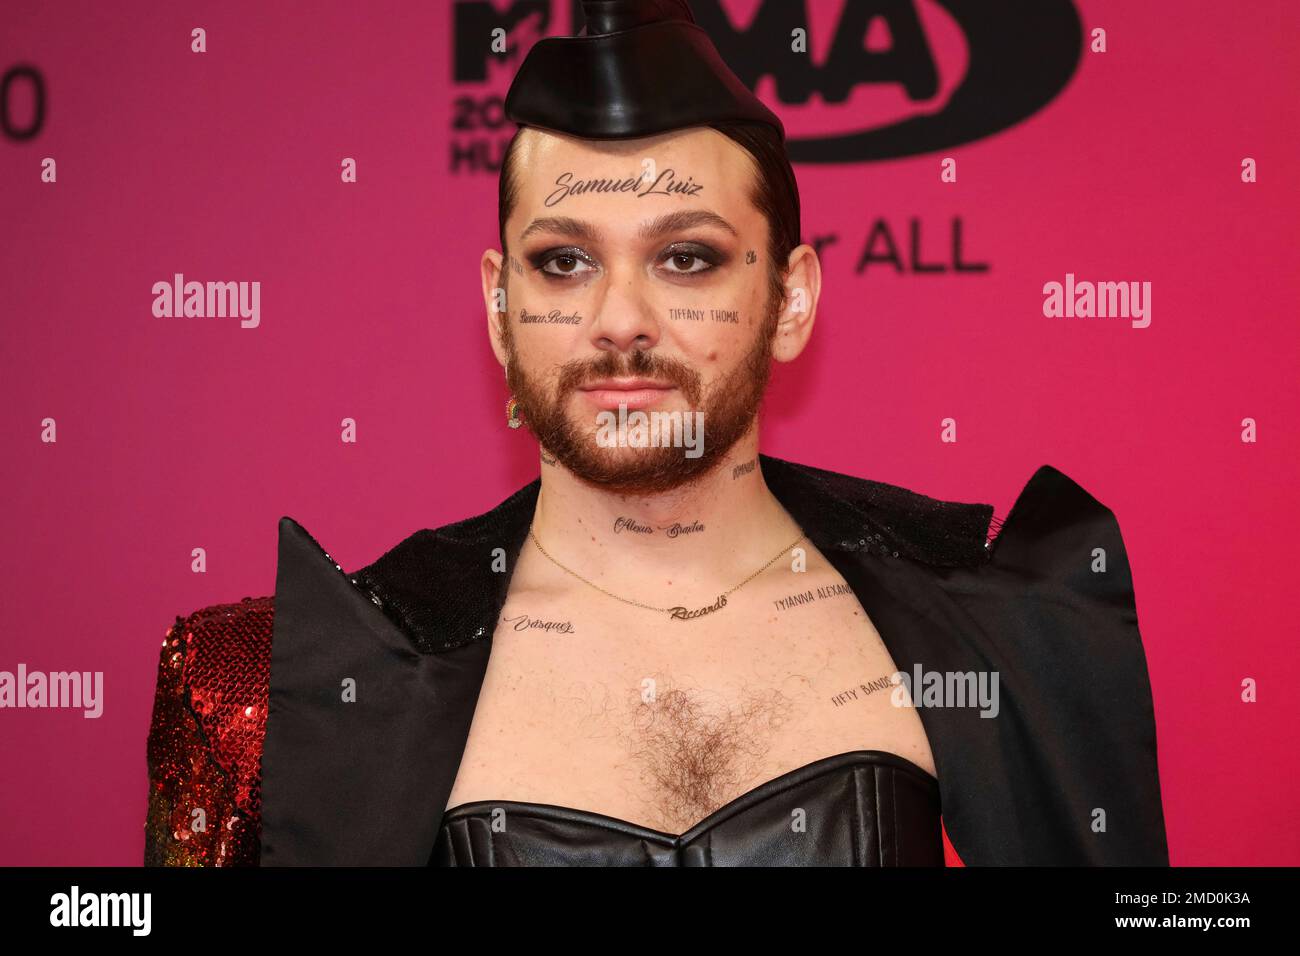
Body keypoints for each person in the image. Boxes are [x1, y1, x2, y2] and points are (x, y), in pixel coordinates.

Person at [144, 0, 1168, 867]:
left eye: (685, 258)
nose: (620, 318)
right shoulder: (276, 688)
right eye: (562, 262)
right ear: (500, 309)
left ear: (792, 298)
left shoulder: (1011, 627)